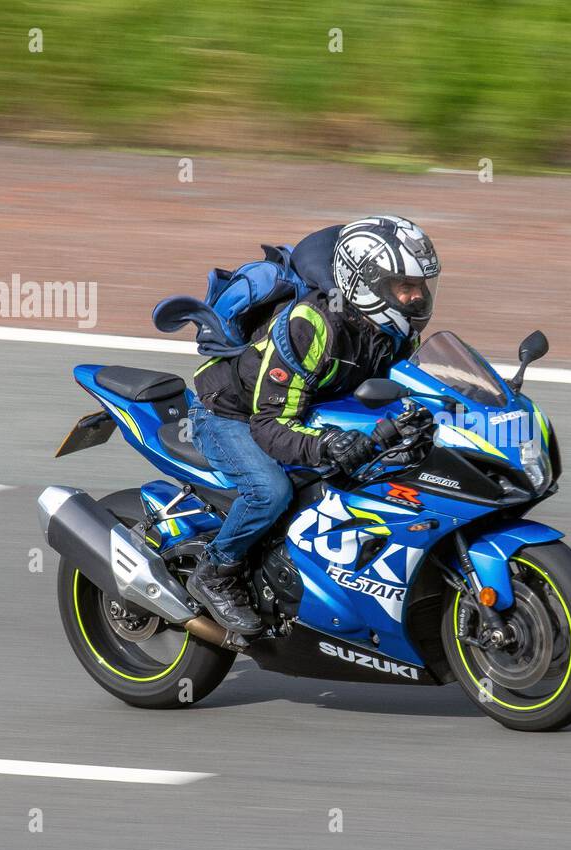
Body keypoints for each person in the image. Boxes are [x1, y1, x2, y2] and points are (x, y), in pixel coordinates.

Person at [185, 215, 440, 633]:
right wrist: (328, 445)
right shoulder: (313, 323)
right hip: (232, 413)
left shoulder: (397, 331)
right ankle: (216, 571)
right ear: (366, 284)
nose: (417, 297)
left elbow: (411, 391)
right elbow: (270, 424)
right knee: (270, 492)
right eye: (404, 286)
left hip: (309, 409)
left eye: (422, 286)